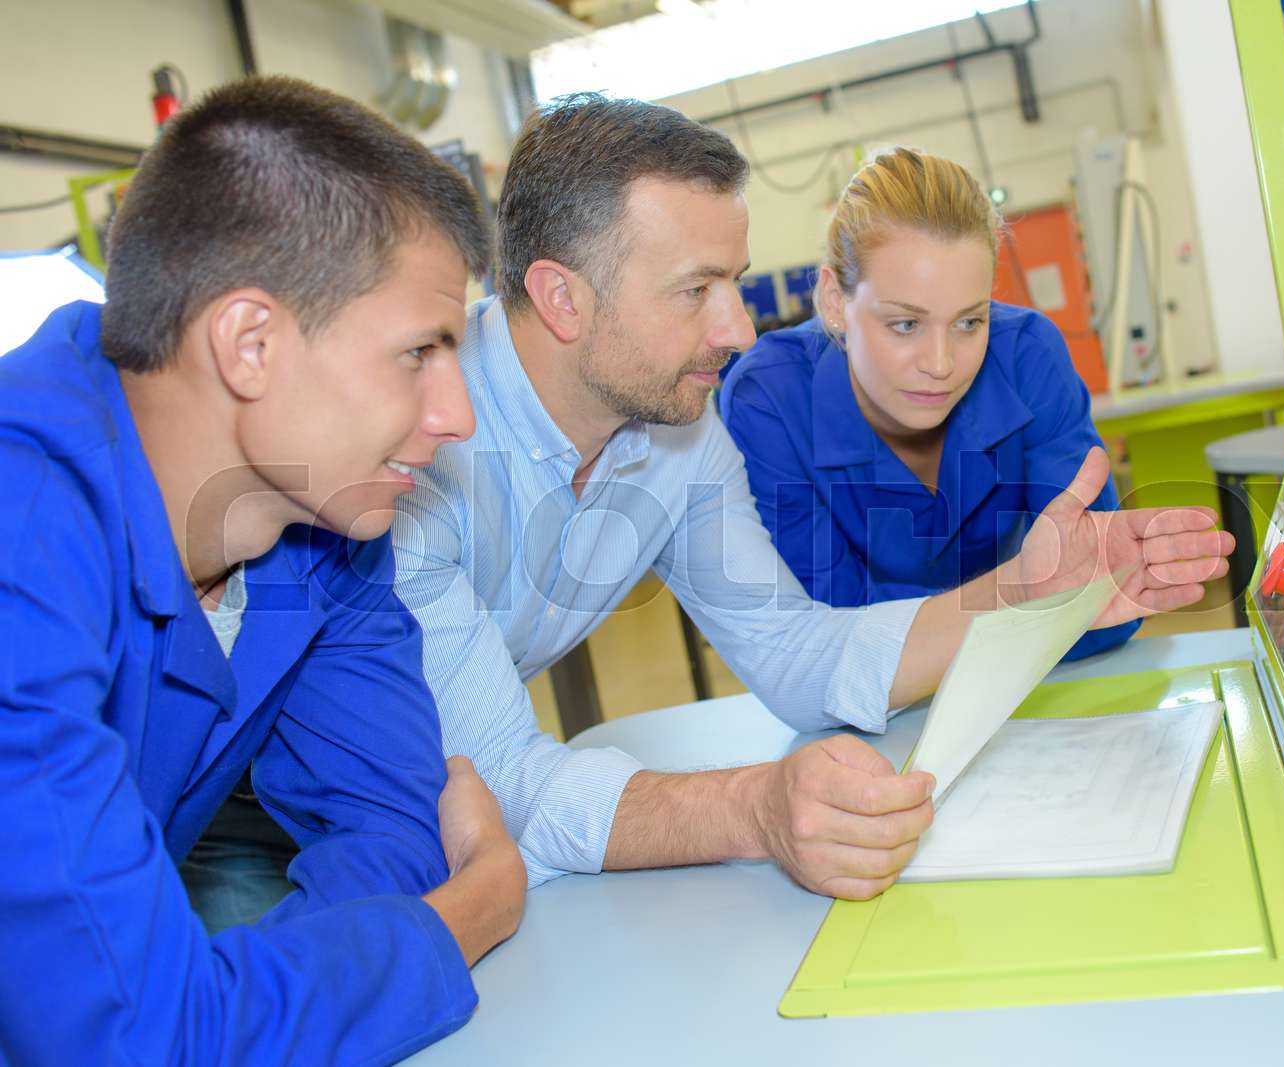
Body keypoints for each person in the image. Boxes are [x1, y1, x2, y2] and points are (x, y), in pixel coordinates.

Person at [378, 94, 1232, 904]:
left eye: (735, 283)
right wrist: (752, 809)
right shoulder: (408, 442)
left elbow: (795, 650)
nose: (740, 330)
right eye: (696, 290)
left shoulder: (680, 437)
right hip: (317, 820)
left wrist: (1023, 592)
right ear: (562, 297)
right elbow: (501, 776)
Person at [0, 77, 525, 1065]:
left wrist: (240, 1001)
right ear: (249, 344)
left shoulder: (322, 520)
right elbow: (140, 1041)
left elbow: (390, 830)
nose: (456, 415)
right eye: (420, 351)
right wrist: (463, 919)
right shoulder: (19, 541)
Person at [720, 148, 1138, 666]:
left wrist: (915, 628)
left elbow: (1100, 606)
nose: (941, 364)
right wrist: (1026, 594)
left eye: (969, 322)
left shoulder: (1027, 355)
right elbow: (825, 644)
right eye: (905, 324)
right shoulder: (769, 400)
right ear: (834, 301)